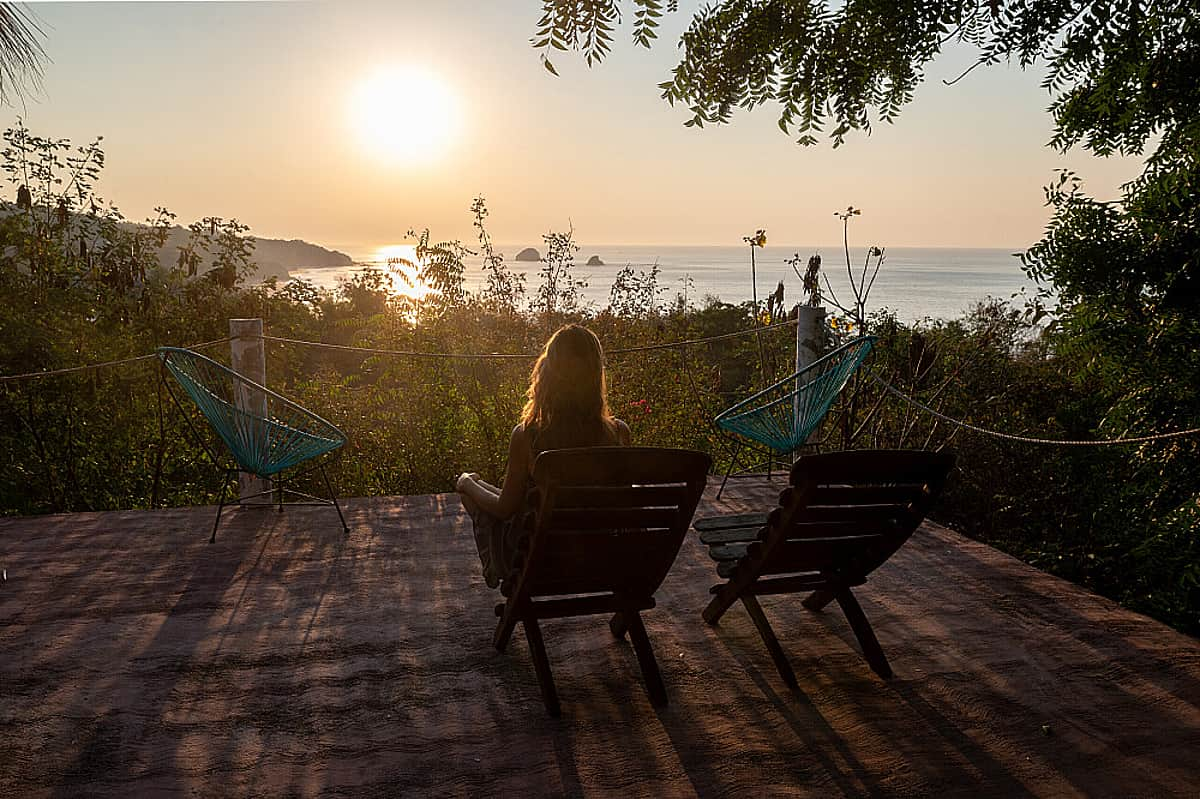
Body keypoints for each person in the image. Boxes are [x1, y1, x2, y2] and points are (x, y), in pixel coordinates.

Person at [456, 324, 631, 587]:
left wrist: (466, 483)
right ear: (596, 376)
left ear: (548, 374)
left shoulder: (529, 437)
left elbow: (505, 509)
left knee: (471, 492)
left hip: (537, 563)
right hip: (599, 558)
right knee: (481, 488)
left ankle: (495, 566)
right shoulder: (619, 434)